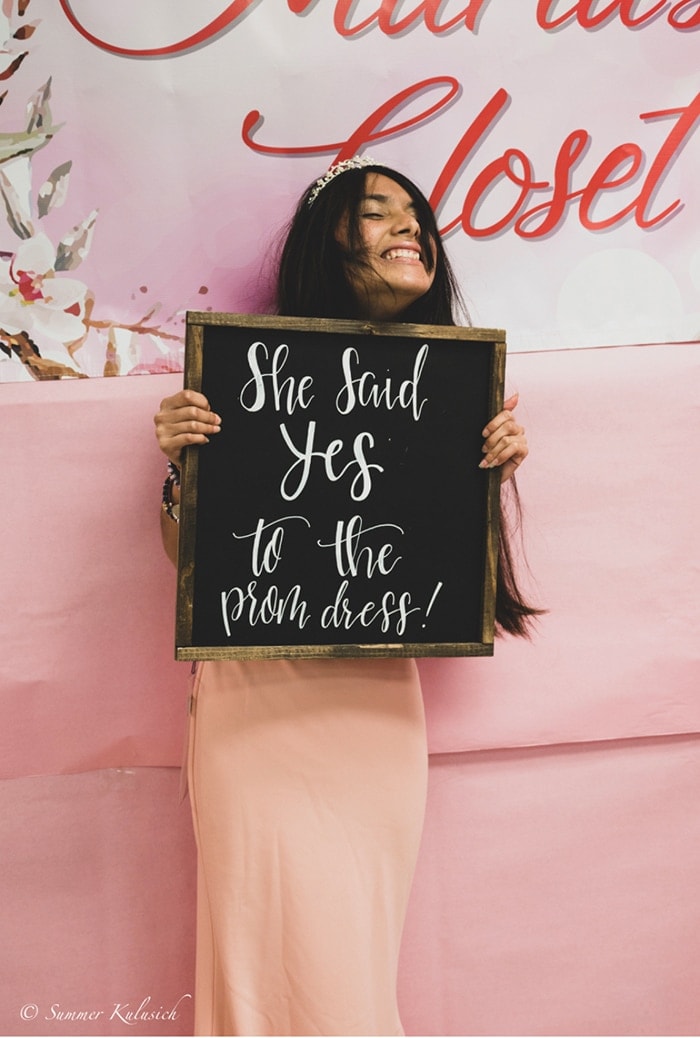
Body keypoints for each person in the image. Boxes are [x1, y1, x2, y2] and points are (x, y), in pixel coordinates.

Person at [154, 157, 538, 1036]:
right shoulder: (247, 374)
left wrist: (487, 474)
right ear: (327, 241)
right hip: (257, 707)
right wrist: (184, 471)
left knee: (351, 962)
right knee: (261, 957)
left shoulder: (454, 394)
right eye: (378, 212)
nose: (412, 228)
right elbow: (189, 561)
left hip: (376, 711)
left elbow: (444, 574)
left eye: (418, 216)